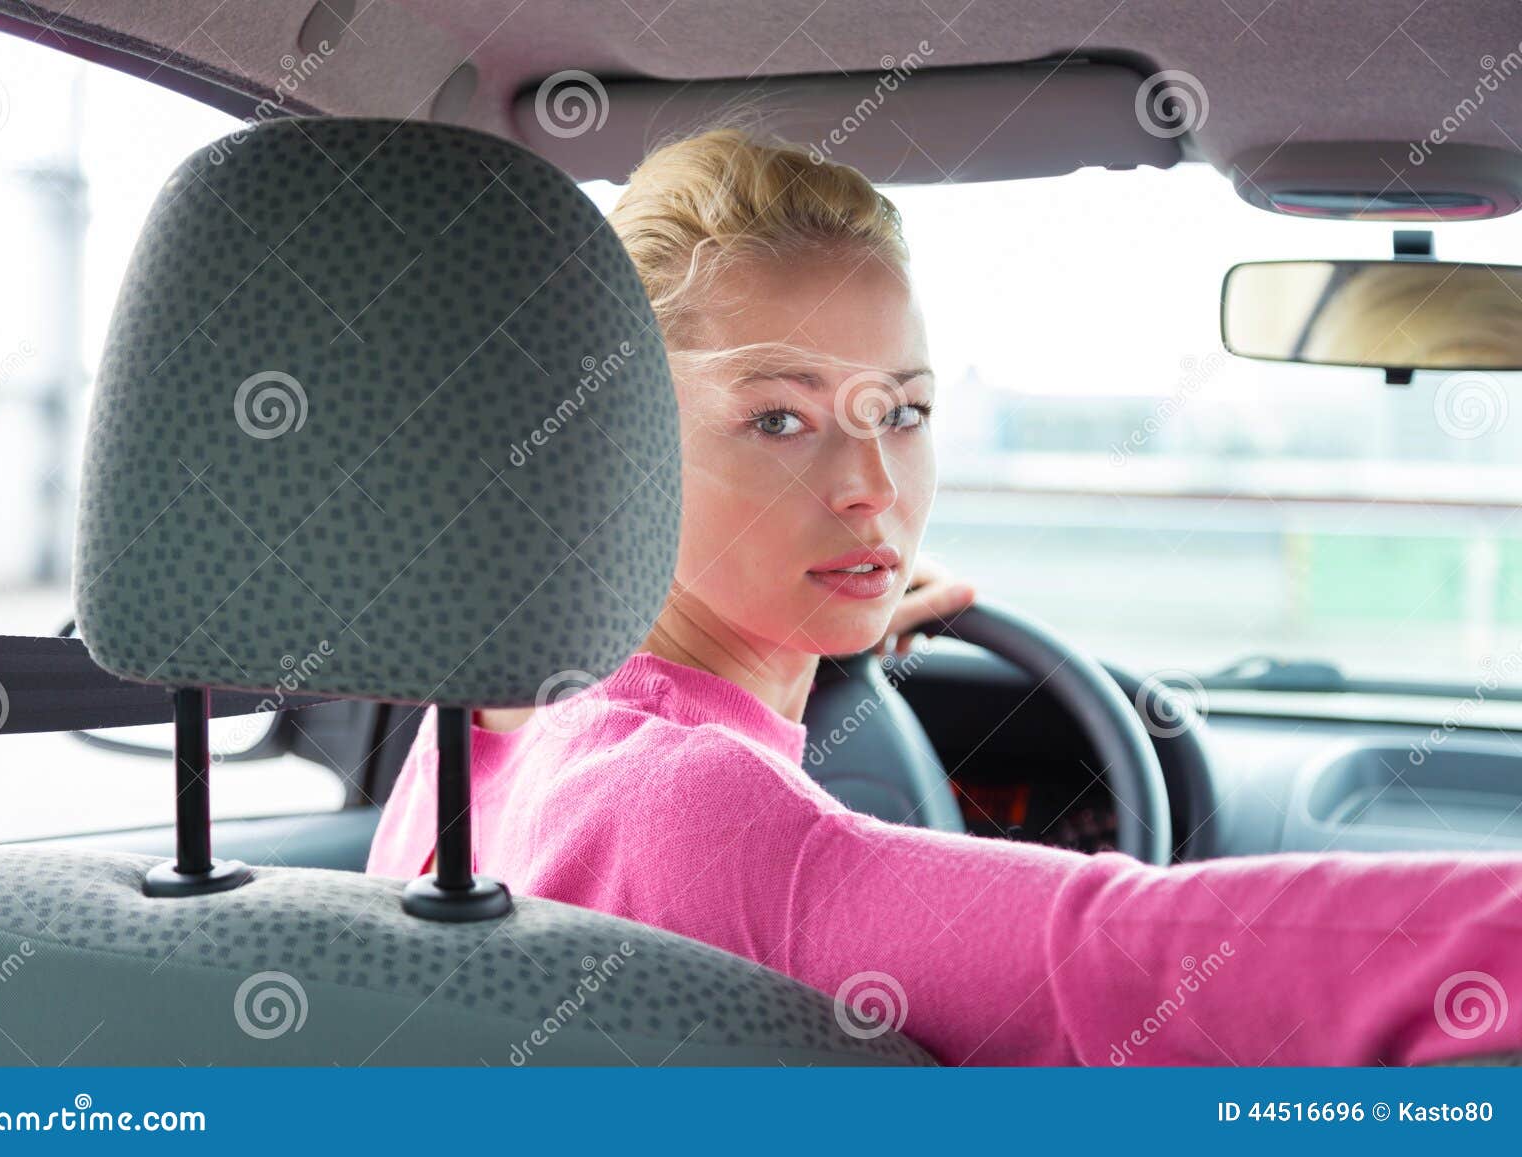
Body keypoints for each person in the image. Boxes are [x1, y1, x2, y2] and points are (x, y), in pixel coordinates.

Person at [367, 127, 1522, 1066]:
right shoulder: (704, 813)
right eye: (779, 419)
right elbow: (1123, 956)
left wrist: (821, 614)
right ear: (614, 441)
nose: (871, 488)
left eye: (902, 411)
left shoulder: (474, 736)